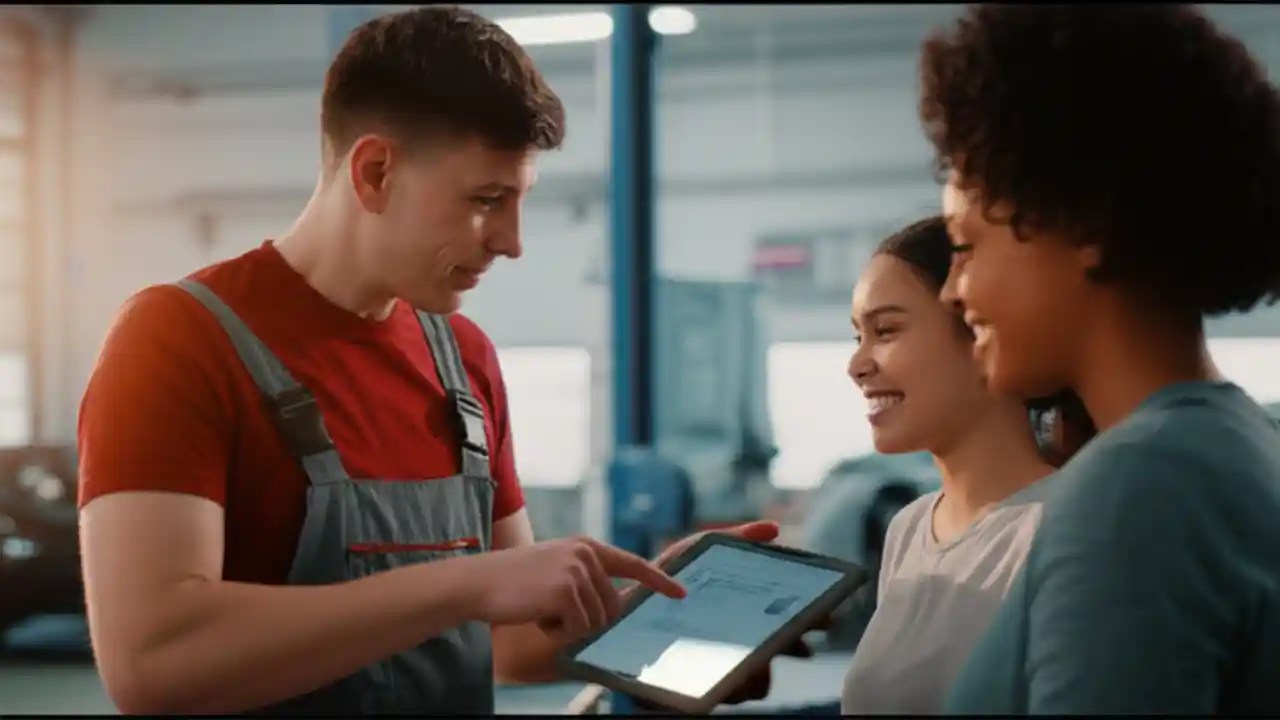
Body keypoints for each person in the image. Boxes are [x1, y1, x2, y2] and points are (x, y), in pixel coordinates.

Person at [76, 7, 784, 715]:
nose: (511, 242)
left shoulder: (464, 362)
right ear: (375, 172)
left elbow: (508, 642)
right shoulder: (178, 340)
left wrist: (658, 611)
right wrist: (468, 584)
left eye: (518, 201)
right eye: (486, 200)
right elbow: (152, 664)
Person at [917, 4, 1280, 714]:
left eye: (965, 247)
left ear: (1086, 221)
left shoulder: (1139, 485)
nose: (953, 291)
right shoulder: (1233, 444)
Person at [839, 216, 1088, 714]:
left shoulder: (1067, 533)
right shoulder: (908, 529)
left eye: (885, 331)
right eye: (857, 337)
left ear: (981, 332)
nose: (857, 366)